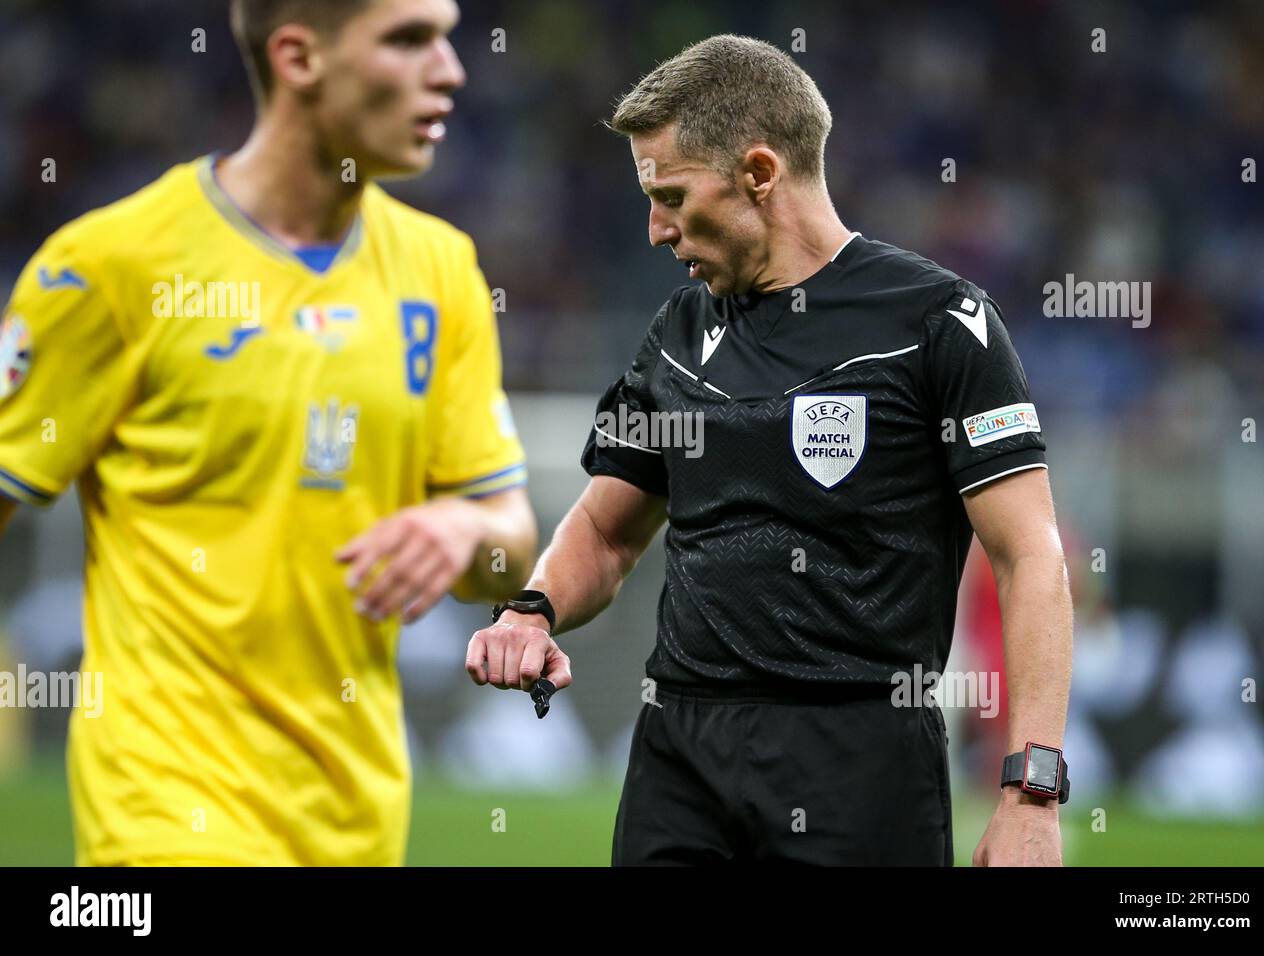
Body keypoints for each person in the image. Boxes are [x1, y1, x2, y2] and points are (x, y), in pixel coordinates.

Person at [466, 34, 1073, 866]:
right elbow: (608, 533)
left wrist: (1030, 795)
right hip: (678, 752)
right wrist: (533, 609)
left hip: (861, 757)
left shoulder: (937, 325)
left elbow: (1030, 556)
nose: (655, 229)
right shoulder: (677, 333)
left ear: (758, 173)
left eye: (671, 195)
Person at [0, 0, 536, 866]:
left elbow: (510, 544)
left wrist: (467, 528)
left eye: (447, 35)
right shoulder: (110, 266)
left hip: (357, 818)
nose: (452, 69)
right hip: (165, 814)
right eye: (408, 39)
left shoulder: (442, 273)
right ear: (298, 57)